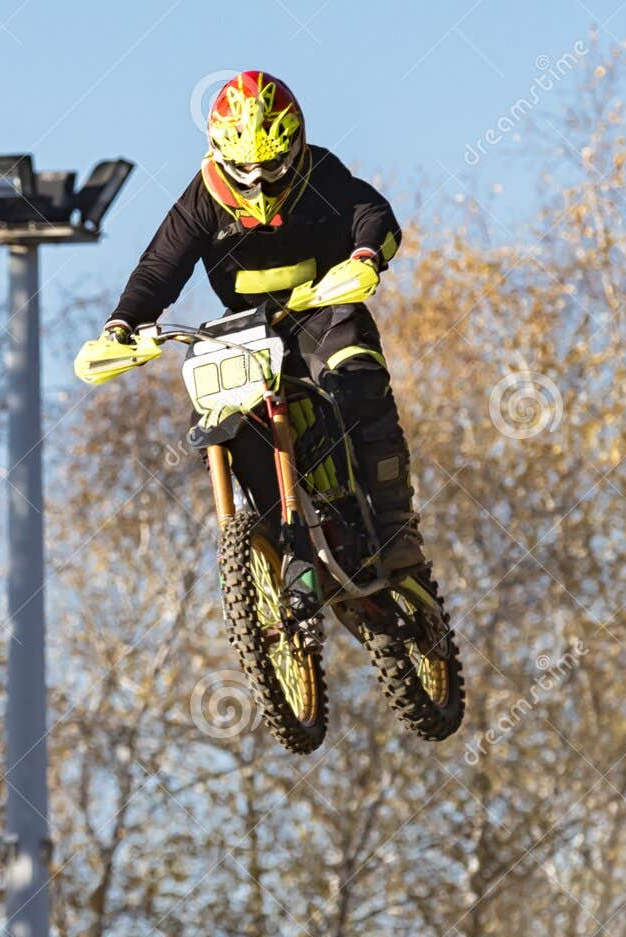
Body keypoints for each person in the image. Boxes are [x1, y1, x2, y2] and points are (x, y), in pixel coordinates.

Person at [94, 69, 425, 592]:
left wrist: (365, 257)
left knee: (357, 379)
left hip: (324, 306)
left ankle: (394, 525)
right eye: (243, 169)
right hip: (247, 329)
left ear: (293, 147)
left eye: (271, 166)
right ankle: (281, 541)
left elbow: (373, 212)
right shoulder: (202, 198)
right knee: (222, 415)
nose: (257, 182)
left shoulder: (322, 171)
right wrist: (122, 325)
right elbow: (161, 267)